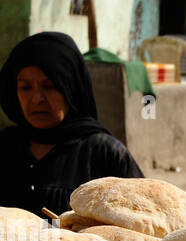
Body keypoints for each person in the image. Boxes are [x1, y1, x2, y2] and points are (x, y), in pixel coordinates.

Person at [0, 31, 142, 218]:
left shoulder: (104, 154)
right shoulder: (5, 146)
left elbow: (144, 222)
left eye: (49, 86)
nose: (36, 99)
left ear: (71, 88)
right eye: (25, 87)